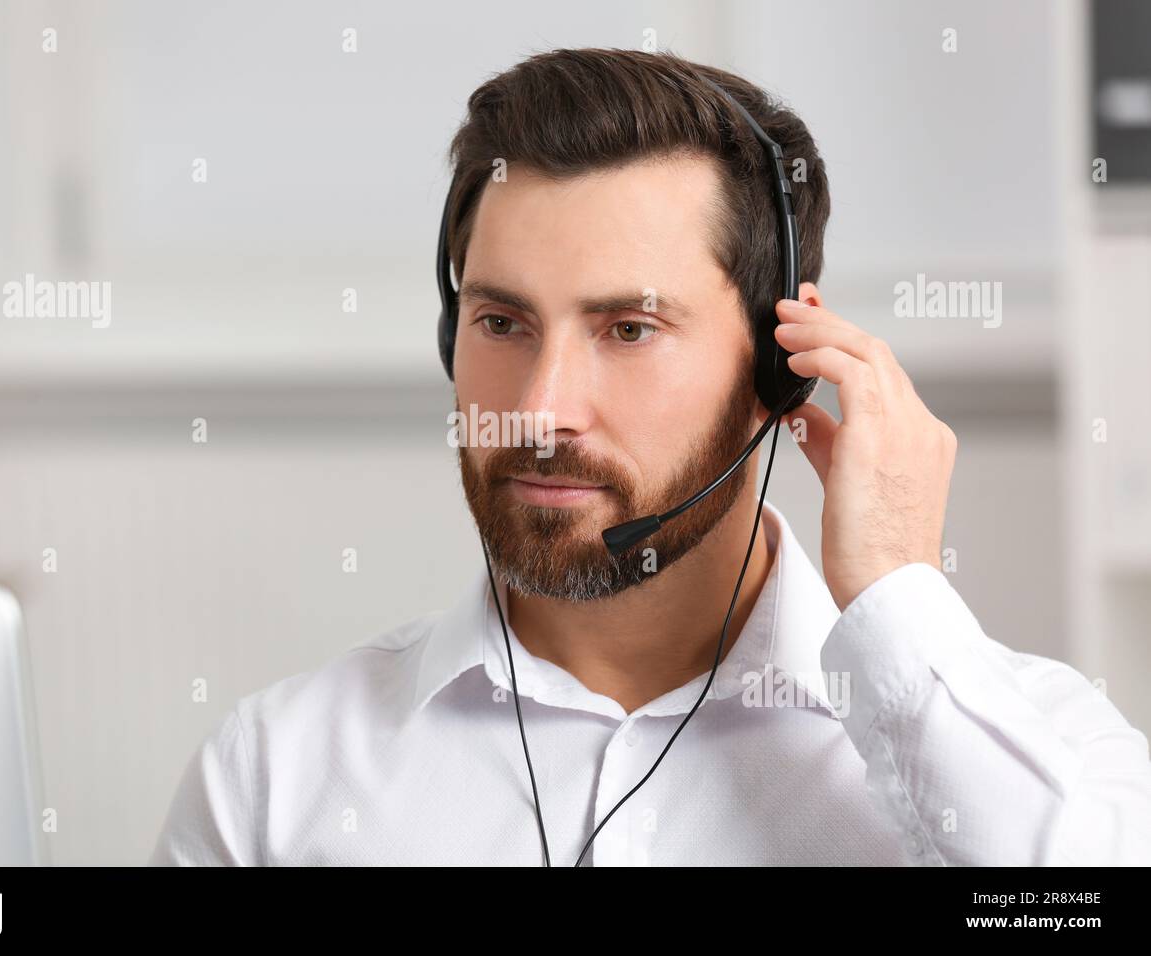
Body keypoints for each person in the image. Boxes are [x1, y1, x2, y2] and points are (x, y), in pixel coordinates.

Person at [150, 48, 1151, 866]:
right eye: (501, 321)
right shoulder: (273, 780)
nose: (541, 410)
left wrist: (895, 592)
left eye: (626, 329)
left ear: (778, 367)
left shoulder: (1057, 759)